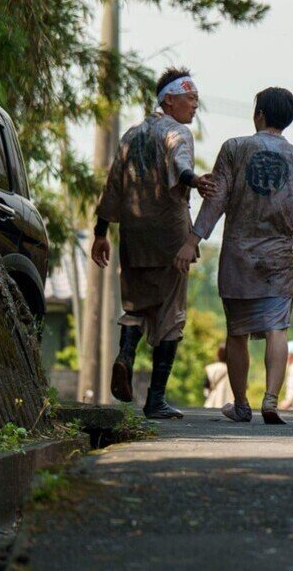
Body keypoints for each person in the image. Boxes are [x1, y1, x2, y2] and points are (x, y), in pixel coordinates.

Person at [173, 87, 293, 424]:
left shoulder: (234, 149)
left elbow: (215, 200)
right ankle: (272, 400)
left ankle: (242, 404)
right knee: (278, 327)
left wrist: (192, 240)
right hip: (278, 257)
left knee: (237, 331)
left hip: (237, 255)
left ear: (258, 114)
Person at [92, 67, 217, 419]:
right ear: (169, 100)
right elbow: (180, 163)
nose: (195, 105)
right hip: (170, 237)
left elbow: (113, 184)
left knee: (135, 309)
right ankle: (155, 400)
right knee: (172, 315)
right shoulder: (177, 133)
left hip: (133, 234)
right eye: (190, 98)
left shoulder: (131, 134)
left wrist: (101, 233)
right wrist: (195, 181)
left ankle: (125, 355)